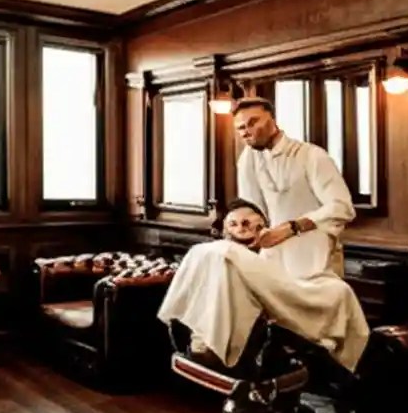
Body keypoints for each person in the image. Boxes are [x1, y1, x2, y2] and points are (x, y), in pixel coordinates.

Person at [158, 199, 370, 374]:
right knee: (218, 253)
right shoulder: (218, 252)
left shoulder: (276, 249)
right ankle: (204, 342)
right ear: (223, 230)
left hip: (289, 294)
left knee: (337, 291)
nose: (242, 228)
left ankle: (209, 346)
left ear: (263, 226)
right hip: (237, 292)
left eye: (249, 223)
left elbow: (290, 283)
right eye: (234, 224)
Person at [232, 97, 356, 280]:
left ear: (272, 120)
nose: (246, 132)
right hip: (272, 262)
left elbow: (342, 207)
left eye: (253, 122)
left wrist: (291, 227)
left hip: (315, 261)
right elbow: (251, 212)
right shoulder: (247, 160)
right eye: (241, 128)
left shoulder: (312, 156)